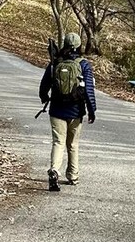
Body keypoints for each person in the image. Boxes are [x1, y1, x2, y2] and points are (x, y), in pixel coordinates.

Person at [39, 32, 96, 191]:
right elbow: (89, 91)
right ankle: (73, 176)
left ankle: (54, 170)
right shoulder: (84, 64)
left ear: (63, 44)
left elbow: (44, 85)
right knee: (73, 144)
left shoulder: (55, 62)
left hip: (56, 110)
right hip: (76, 111)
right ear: (79, 45)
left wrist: (44, 98)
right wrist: (92, 110)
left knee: (58, 142)